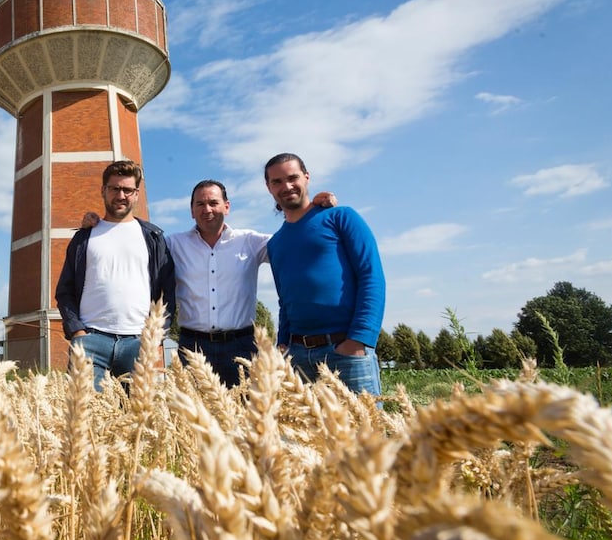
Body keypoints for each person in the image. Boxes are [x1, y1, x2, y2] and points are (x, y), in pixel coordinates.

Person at [83, 181, 335, 386]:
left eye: (214, 203)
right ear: (191, 210)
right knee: (194, 427)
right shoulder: (172, 244)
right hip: (193, 347)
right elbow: (132, 248)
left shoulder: (250, 241)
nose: (207, 209)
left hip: (243, 346)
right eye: (200, 204)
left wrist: (310, 209)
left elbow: (292, 242)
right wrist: (100, 225)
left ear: (226, 206)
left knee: (247, 422)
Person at [264, 153, 385, 395]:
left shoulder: (341, 217)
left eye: (292, 178)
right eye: (276, 182)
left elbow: (371, 277)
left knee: (364, 432)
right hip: (298, 358)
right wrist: (283, 343)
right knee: (309, 434)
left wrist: (359, 340)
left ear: (306, 178)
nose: (286, 186)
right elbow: (285, 299)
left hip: (346, 352)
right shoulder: (275, 243)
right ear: (269, 188)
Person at [55, 160, 176, 391]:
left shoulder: (153, 237)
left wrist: (156, 335)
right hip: (90, 340)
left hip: (138, 341)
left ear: (136, 194)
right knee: (85, 416)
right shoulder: (84, 238)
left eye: (127, 190)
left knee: (140, 419)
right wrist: (78, 332)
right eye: (115, 189)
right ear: (103, 190)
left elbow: (168, 291)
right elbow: (65, 291)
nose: (121, 195)